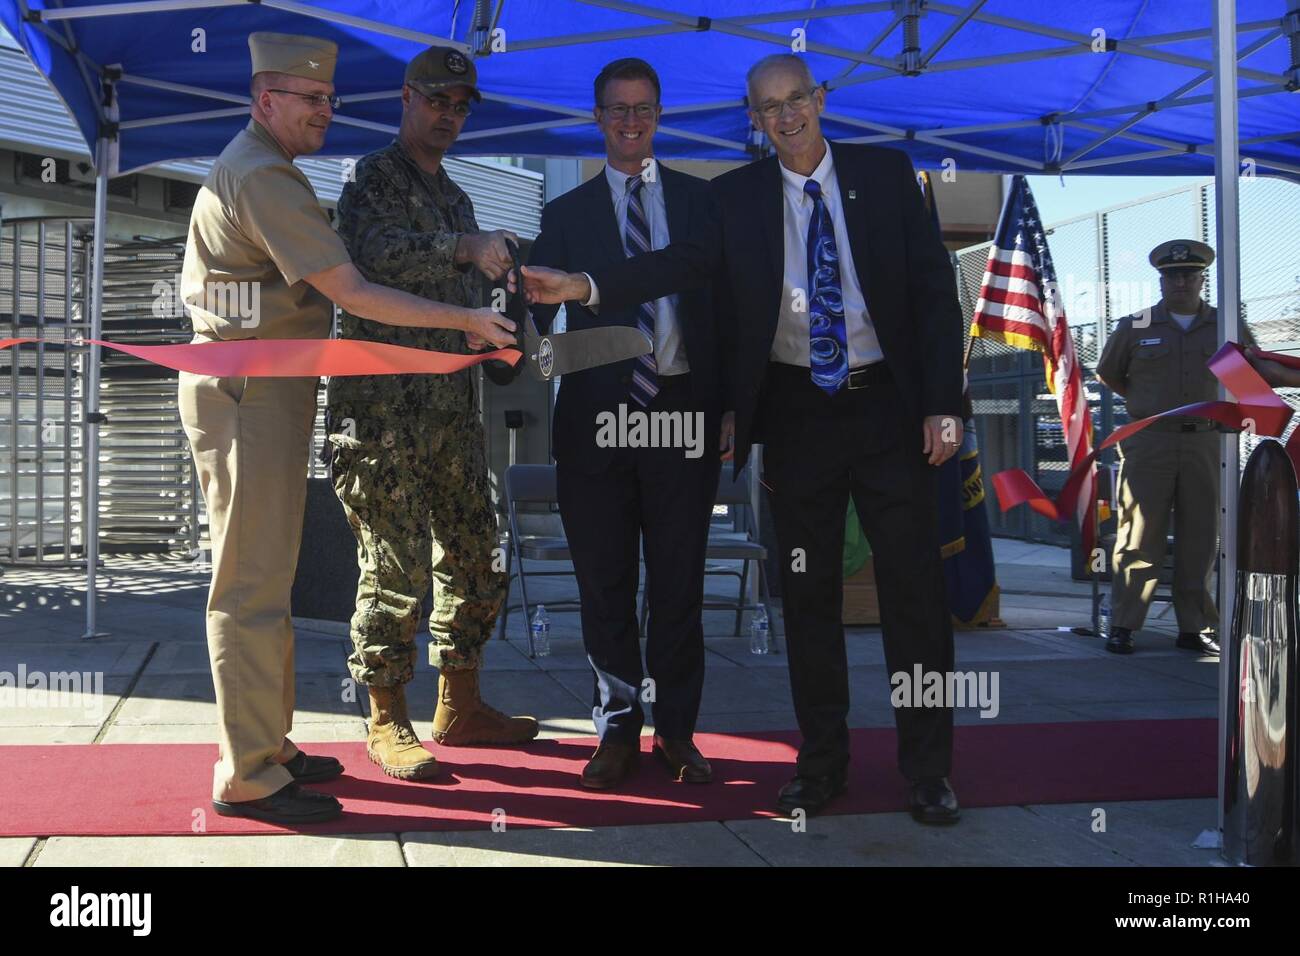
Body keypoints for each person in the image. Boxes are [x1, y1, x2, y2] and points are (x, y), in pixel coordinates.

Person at [523, 54, 965, 823]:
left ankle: (928, 769)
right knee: (807, 598)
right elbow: (681, 266)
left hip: (890, 410)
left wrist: (942, 402)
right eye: (768, 107)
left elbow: (933, 294)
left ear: (819, 101)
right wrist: (587, 288)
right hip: (796, 417)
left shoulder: (889, 176)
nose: (785, 115)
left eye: (796, 99)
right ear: (753, 120)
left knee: (915, 596)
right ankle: (823, 764)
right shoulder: (735, 199)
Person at [178, 32, 515, 824]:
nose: (328, 110)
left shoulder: (272, 169)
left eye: (330, 98)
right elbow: (354, 288)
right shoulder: (264, 173)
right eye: (312, 99)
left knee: (270, 576)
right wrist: (466, 317)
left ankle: (272, 742)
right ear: (267, 100)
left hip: (268, 390)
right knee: (250, 586)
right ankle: (249, 773)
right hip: (248, 393)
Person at [326, 44, 538, 783]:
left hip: (451, 413)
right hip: (379, 417)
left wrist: (512, 308)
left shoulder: (456, 195)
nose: (448, 115)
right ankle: (387, 717)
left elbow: (465, 296)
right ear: (406, 98)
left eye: (460, 105)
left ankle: (461, 703)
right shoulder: (369, 180)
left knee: (478, 551)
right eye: (437, 100)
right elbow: (375, 258)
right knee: (396, 565)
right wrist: (463, 248)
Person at [526, 58, 726, 790]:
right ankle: (615, 730)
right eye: (617, 110)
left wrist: (730, 406)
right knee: (604, 582)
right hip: (596, 423)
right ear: (598, 117)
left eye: (643, 108)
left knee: (677, 583)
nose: (631, 121)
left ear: (660, 113)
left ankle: (676, 732)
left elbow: (723, 306)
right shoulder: (564, 217)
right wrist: (491, 324)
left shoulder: (703, 207)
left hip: (683, 416)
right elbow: (533, 328)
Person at [1095, 240, 1250, 657]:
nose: (1180, 281)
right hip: (1150, 442)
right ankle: (1124, 623)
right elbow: (1110, 373)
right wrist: (1149, 405)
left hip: (1205, 441)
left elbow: (1246, 378)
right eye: (1172, 275)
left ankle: (1195, 626)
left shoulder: (1225, 326)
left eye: (1189, 274)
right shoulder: (1137, 324)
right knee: (1138, 534)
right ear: (1161, 281)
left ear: (1202, 278)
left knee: (1201, 536)